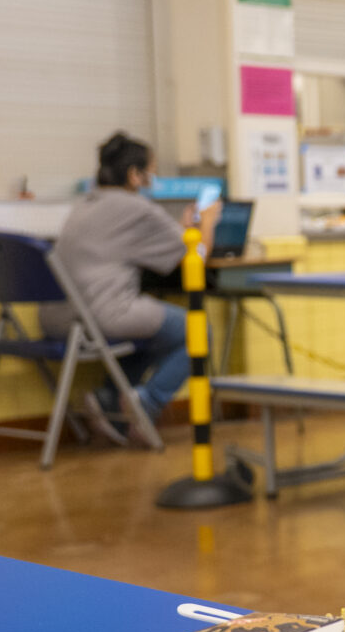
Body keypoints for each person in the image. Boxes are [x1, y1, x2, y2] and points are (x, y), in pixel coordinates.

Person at [43, 132, 218, 447]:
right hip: (100, 315)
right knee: (198, 330)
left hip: (56, 316)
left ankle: (109, 399)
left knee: (153, 330)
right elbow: (197, 258)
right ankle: (147, 402)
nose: (154, 178)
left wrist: (179, 230)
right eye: (151, 171)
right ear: (134, 175)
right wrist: (207, 223)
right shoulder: (139, 209)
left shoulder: (85, 203)